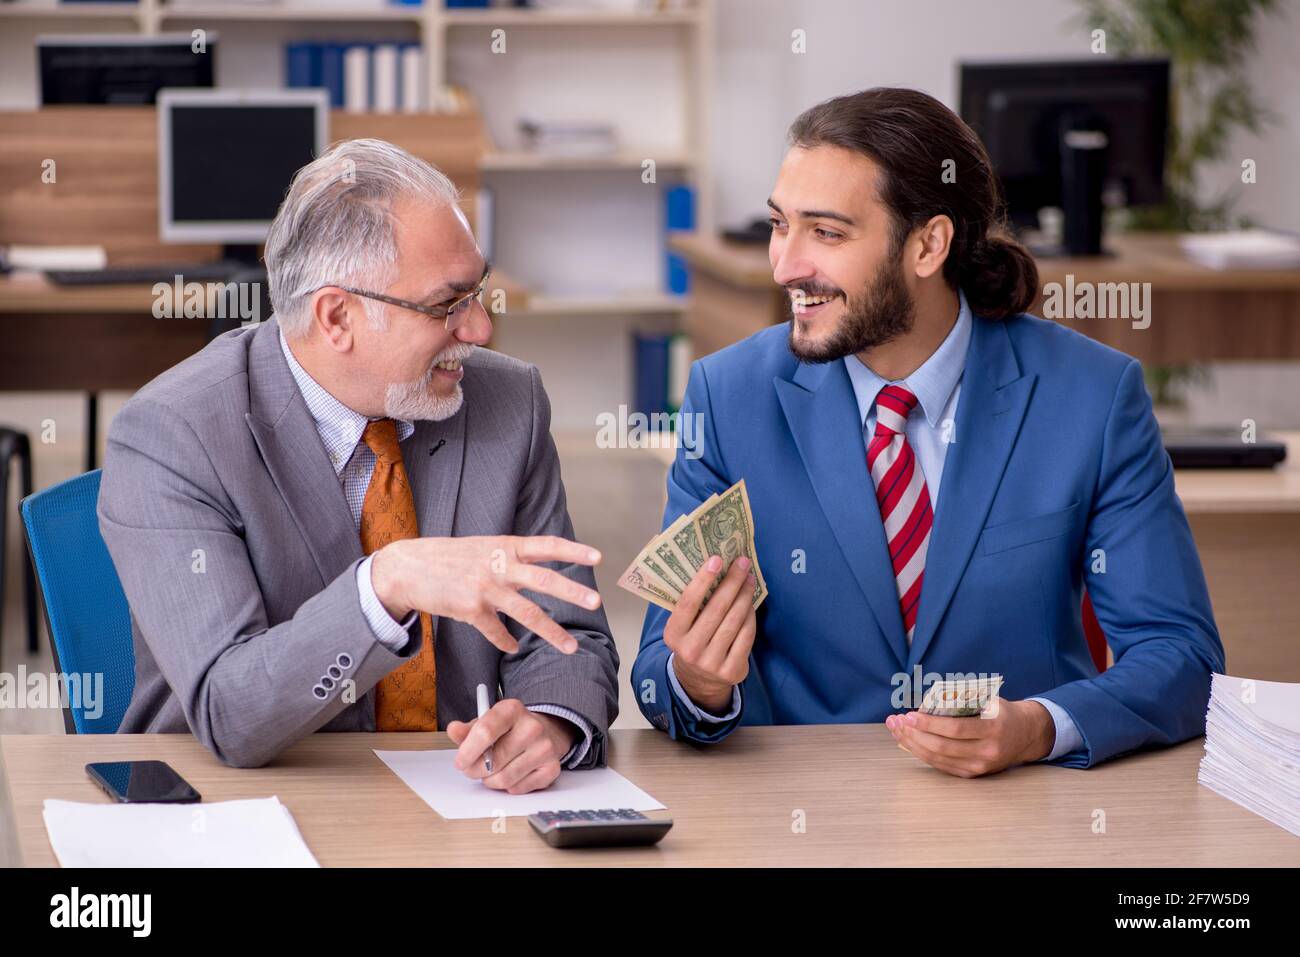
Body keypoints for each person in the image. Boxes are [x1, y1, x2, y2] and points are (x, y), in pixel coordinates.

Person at [632, 88, 1223, 775]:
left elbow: (1184, 657)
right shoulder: (728, 395)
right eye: (778, 224)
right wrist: (698, 681)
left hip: (1022, 810)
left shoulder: (1091, 395)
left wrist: (1039, 727)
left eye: (825, 233)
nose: (785, 264)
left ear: (929, 244)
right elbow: (656, 673)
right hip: (798, 812)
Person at [100, 139, 618, 793]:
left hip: (459, 806)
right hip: (241, 805)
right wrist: (385, 583)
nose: (481, 328)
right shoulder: (174, 434)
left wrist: (549, 724)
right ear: (337, 316)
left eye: (478, 291)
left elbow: (571, 634)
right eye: (447, 304)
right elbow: (229, 709)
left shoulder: (509, 403)